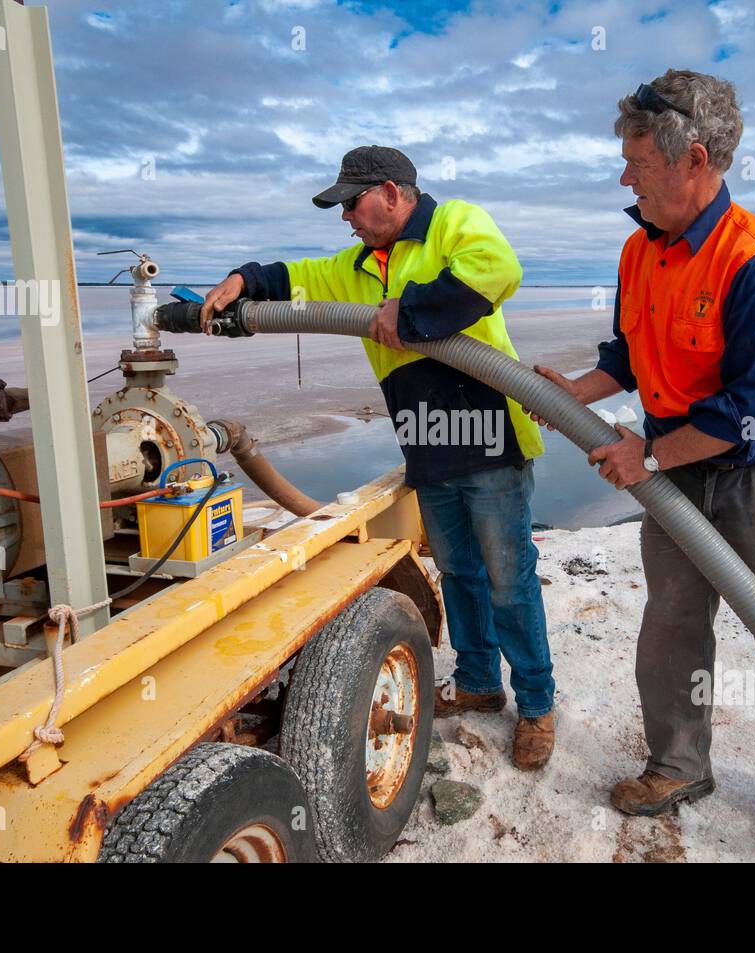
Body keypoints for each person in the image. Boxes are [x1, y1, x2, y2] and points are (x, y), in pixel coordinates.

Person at [534, 71, 755, 859]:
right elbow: (629, 351)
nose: (624, 176)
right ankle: (678, 765)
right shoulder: (639, 249)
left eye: (637, 161)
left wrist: (646, 450)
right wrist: (579, 389)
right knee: (673, 626)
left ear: (695, 159)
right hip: (675, 471)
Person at [202, 146, 557, 769]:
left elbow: (497, 269)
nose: (346, 218)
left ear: (392, 193)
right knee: (460, 573)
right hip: (427, 442)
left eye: (352, 203)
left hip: (489, 437)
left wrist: (409, 310)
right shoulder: (359, 266)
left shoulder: (453, 225)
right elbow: (299, 278)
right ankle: (477, 683)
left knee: (510, 578)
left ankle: (536, 704)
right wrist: (244, 280)